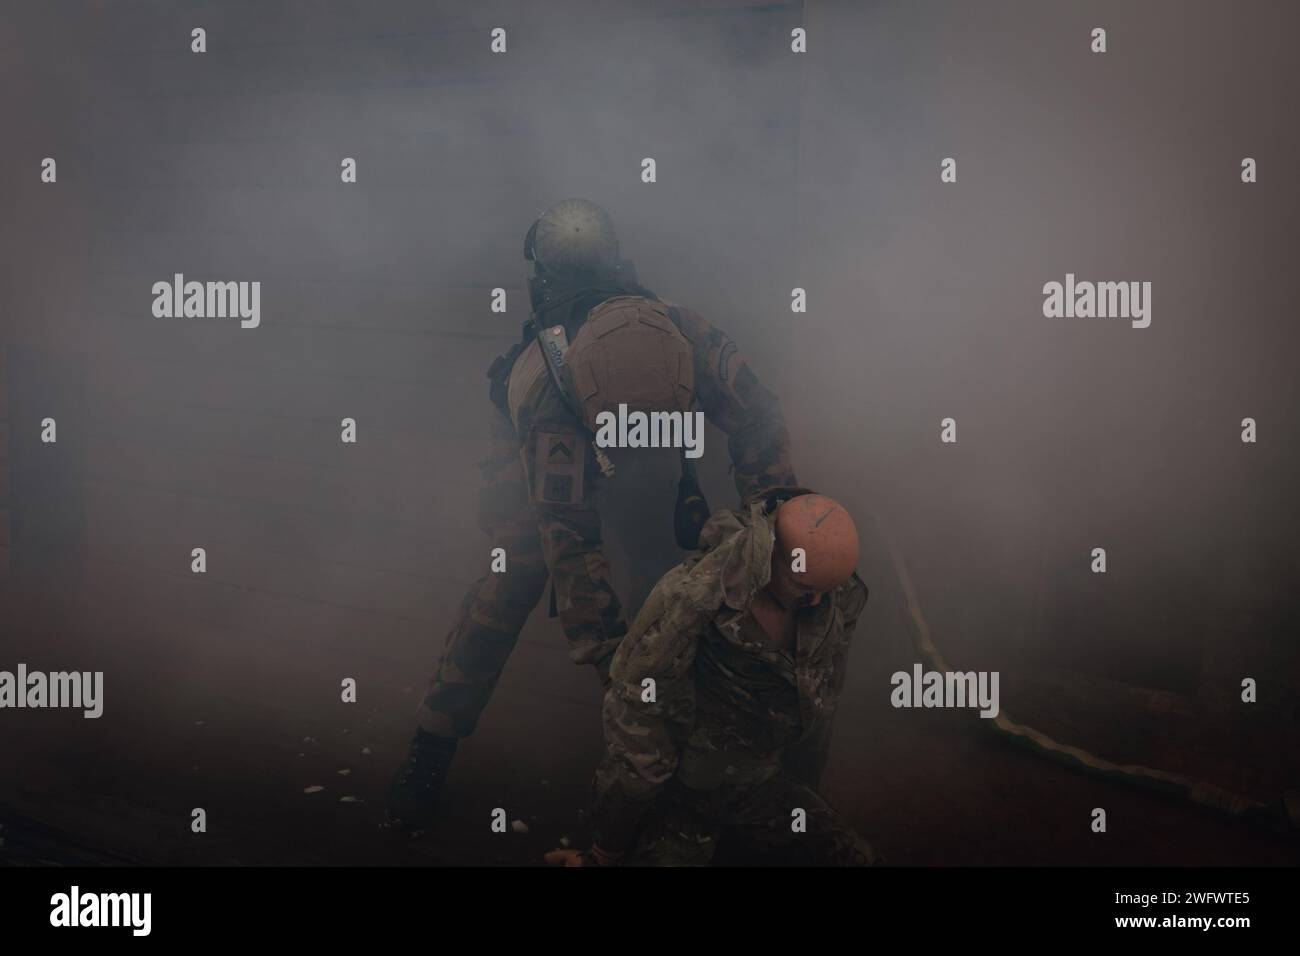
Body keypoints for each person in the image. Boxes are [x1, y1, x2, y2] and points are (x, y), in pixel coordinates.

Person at [386, 199, 796, 830]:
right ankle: (432, 745)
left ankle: (676, 741)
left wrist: (773, 522)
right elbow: (567, 541)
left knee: (664, 566)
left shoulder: (683, 336)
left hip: (629, 462)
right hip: (542, 457)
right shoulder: (543, 389)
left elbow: (759, 419)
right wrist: (614, 667)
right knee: (514, 575)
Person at [546, 490, 881, 866]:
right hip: (683, 797)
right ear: (770, 553)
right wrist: (604, 850)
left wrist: (805, 793)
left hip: (760, 785)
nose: (818, 604)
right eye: (806, 590)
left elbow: (820, 707)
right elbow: (640, 723)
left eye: (826, 591)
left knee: (852, 858)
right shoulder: (693, 599)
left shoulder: (834, 597)